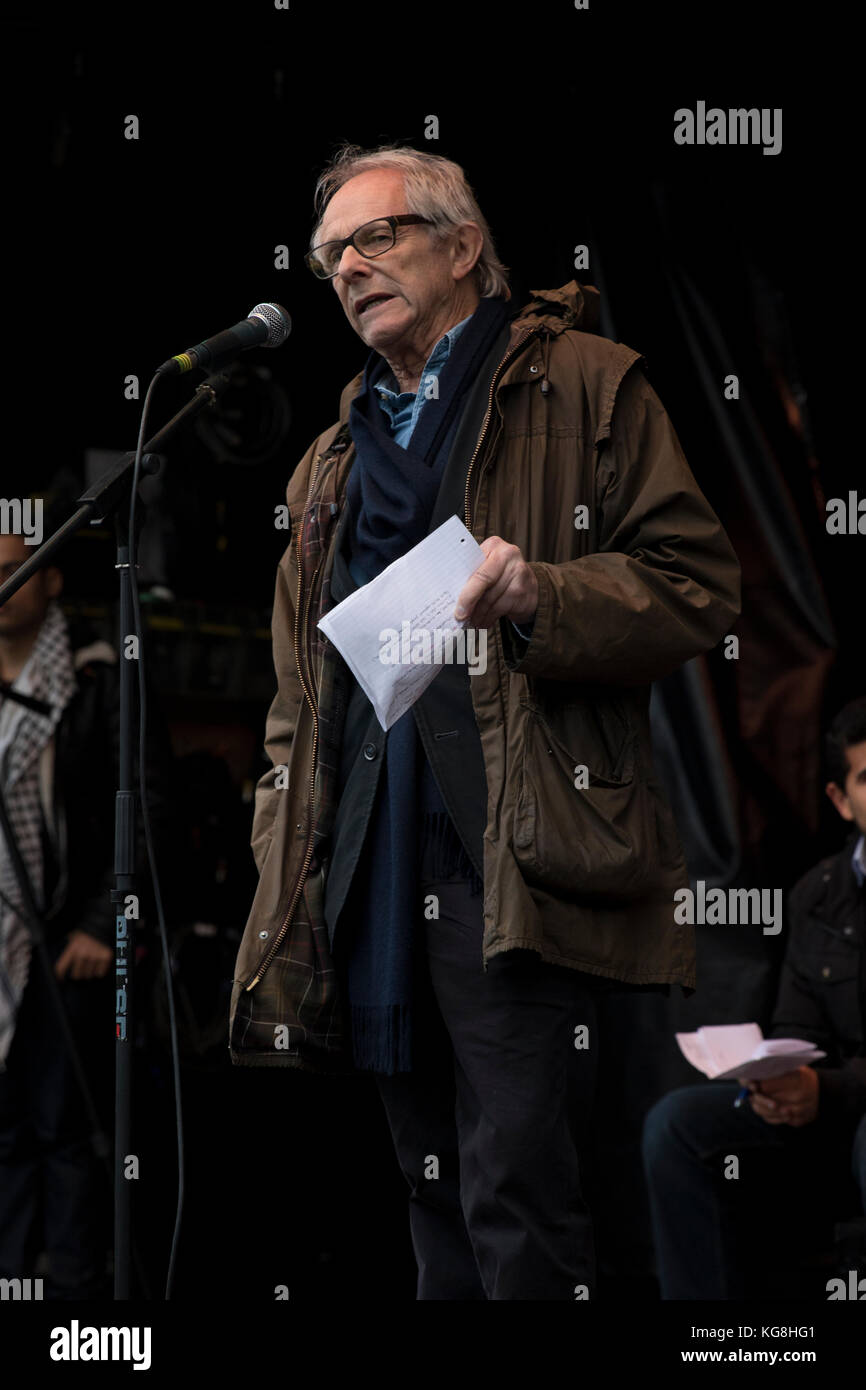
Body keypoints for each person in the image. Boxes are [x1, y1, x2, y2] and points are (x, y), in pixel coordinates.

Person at [229, 143, 741, 1300]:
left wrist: (539, 595)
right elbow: (292, 704)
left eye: (375, 238)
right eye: (328, 257)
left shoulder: (589, 383)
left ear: (461, 247)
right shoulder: (327, 462)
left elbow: (696, 585)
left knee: (517, 1185)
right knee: (425, 1186)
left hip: (509, 854)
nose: (347, 268)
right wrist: (287, 856)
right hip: (369, 860)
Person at [642, 696, 866, 1299]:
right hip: (830, 1109)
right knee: (677, 1125)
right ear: (841, 801)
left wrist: (829, 1092)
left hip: (850, 1108)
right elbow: (802, 1031)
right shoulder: (817, 894)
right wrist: (780, 1085)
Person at [0, 523, 172, 1298]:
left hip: (62, 939)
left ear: (53, 581)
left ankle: (68, 1297)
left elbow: (144, 811)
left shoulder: (98, 678)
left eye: (15, 569)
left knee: (63, 1126)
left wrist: (108, 925)